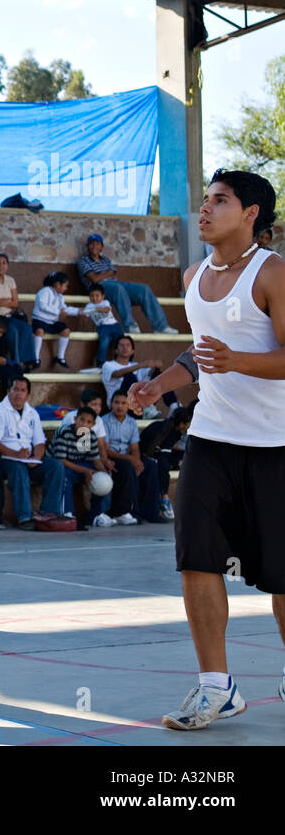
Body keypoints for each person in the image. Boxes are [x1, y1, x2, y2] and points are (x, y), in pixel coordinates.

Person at [128, 168, 285, 731]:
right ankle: (217, 687)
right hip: (210, 440)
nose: (205, 209)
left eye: (220, 201)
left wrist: (238, 361)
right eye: (205, 199)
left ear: (250, 214)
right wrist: (159, 385)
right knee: (196, 559)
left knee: (281, 577)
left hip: (274, 446)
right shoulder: (195, 276)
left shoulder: (273, 273)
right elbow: (199, 356)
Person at [0, 376, 67, 529]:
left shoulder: (32, 413)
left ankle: (49, 513)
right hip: (6, 458)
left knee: (56, 467)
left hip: (28, 459)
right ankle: (25, 517)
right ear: (8, 391)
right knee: (19, 469)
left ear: (28, 394)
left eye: (22, 390)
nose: (18, 394)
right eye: (15, 389)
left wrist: (36, 458)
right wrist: (16, 455)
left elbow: (40, 442)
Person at [77, 233, 178, 334]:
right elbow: (94, 279)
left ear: (102, 247)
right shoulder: (83, 261)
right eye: (91, 244)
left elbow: (114, 275)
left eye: (97, 244)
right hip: (98, 288)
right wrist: (108, 273)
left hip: (115, 284)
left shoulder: (105, 260)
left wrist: (106, 275)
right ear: (87, 246)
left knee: (143, 289)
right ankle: (129, 325)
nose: (94, 246)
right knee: (118, 288)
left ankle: (160, 327)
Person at [101, 390, 159, 524]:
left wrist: (137, 461)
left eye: (123, 403)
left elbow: (134, 448)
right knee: (127, 467)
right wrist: (130, 459)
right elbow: (106, 449)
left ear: (128, 406)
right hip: (112, 457)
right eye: (116, 402)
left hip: (127, 457)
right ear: (111, 404)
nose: (119, 406)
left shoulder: (131, 422)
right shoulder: (104, 421)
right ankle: (123, 511)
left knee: (150, 465)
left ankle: (150, 512)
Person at [47, 406, 110, 528]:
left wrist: (104, 474)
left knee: (103, 477)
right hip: (58, 466)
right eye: (81, 420)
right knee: (64, 474)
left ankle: (96, 515)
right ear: (75, 419)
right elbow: (61, 460)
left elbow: (95, 460)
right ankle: (68, 514)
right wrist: (85, 470)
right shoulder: (64, 432)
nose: (84, 424)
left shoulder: (89, 436)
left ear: (93, 424)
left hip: (77, 465)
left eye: (89, 422)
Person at [139, 400, 194, 522]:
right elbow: (158, 452)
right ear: (181, 424)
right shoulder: (169, 430)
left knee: (170, 460)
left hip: (157, 455)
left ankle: (163, 498)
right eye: (188, 424)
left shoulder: (170, 426)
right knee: (162, 467)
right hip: (149, 457)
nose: (189, 426)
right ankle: (164, 497)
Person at [101, 335, 178, 417]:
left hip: (140, 404)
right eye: (122, 345)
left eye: (128, 345)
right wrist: (141, 365)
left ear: (132, 351)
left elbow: (151, 376)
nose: (125, 348)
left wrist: (156, 366)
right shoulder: (108, 365)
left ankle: (173, 406)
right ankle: (146, 408)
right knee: (129, 375)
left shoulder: (136, 365)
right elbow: (116, 374)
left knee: (159, 376)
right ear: (116, 350)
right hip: (122, 405)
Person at [0, 253, 37, 370]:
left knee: (26, 328)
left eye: (4, 263)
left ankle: (27, 361)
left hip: (9, 316)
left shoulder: (10, 280)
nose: (1, 266)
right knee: (12, 331)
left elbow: (15, 303)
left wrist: (3, 301)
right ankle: (16, 362)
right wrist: (7, 301)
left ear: (8, 265)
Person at [31, 272, 80, 370]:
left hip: (52, 321)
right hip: (40, 319)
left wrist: (79, 311)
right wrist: (58, 312)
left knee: (66, 331)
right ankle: (35, 357)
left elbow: (64, 309)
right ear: (58, 284)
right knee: (39, 331)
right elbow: (42, 306)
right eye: (65, 286)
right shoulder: (44, 291)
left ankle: (60, 356)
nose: (66, 288)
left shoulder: (60, 296)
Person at [82, 285, 124, 369]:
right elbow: (85, 317)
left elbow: (107, 310)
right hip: (102, 326)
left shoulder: (105, 302)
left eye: (97, 296)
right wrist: (84, 323)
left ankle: (121, 359)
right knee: (104, 341)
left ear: (103, 296)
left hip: (114, 324)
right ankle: (100, 361)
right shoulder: (88, 306)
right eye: (92, 296)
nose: (94, 298)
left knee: (121, 340)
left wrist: (97, 309)